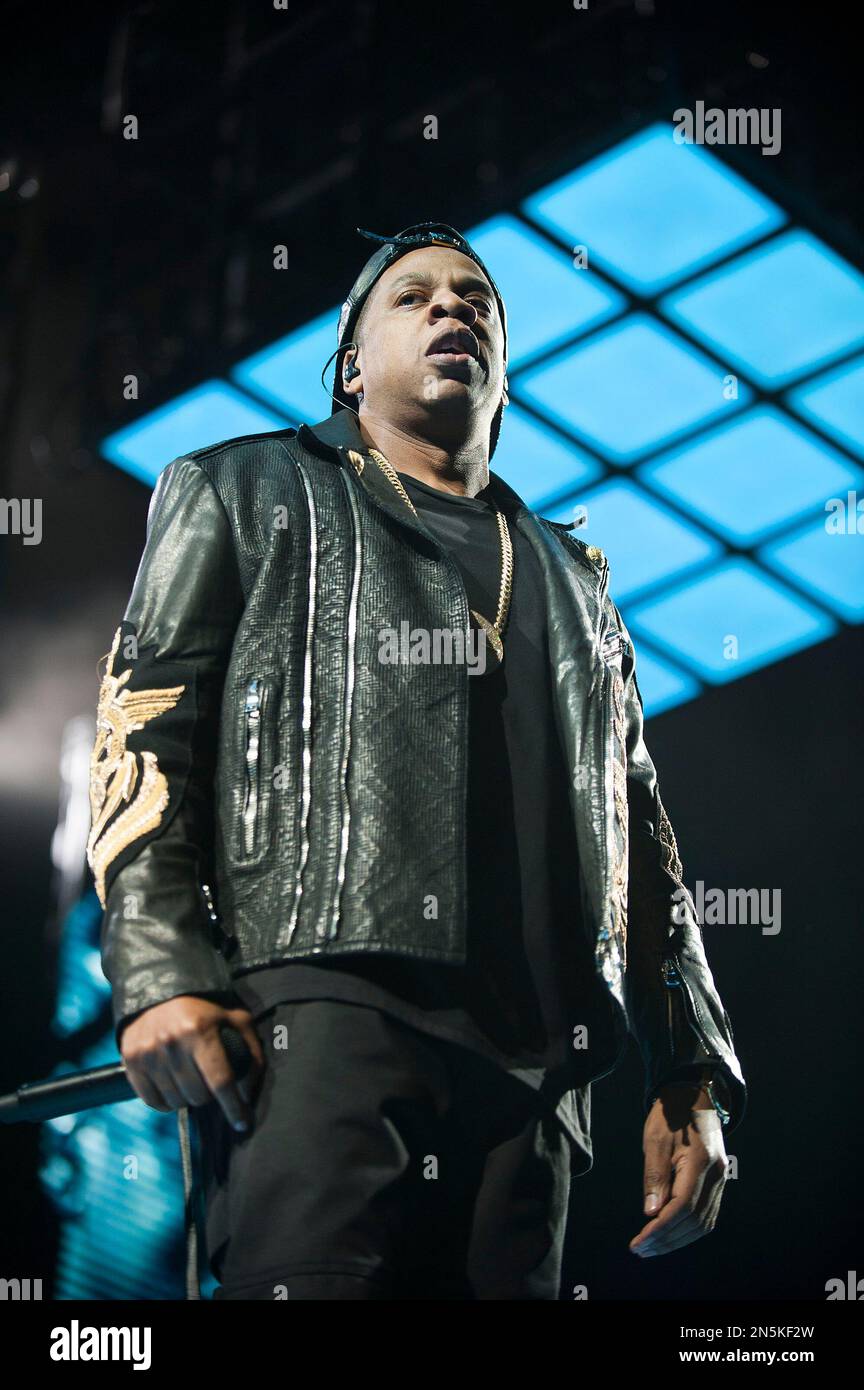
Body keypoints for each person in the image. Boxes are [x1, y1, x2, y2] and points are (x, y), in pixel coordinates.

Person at [87, 221, 747, 1300]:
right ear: (351, 363)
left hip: (537, 1064)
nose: (453, 309)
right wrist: (159, 966)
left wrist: (693, 1068)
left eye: (476, 301)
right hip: (323, 1006)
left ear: (504, 369)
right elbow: (144, 726)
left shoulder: (579, 588)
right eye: (415, 297)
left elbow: (646, 849)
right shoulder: (242, 490)